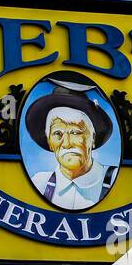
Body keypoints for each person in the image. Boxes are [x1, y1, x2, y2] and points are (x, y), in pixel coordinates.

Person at [24, 79, 118, 211]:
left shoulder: (114, 178)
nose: (67, 143)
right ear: (50, 142)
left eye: (75, 132)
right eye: (57, 133)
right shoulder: (41, 183)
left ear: (93, 138)